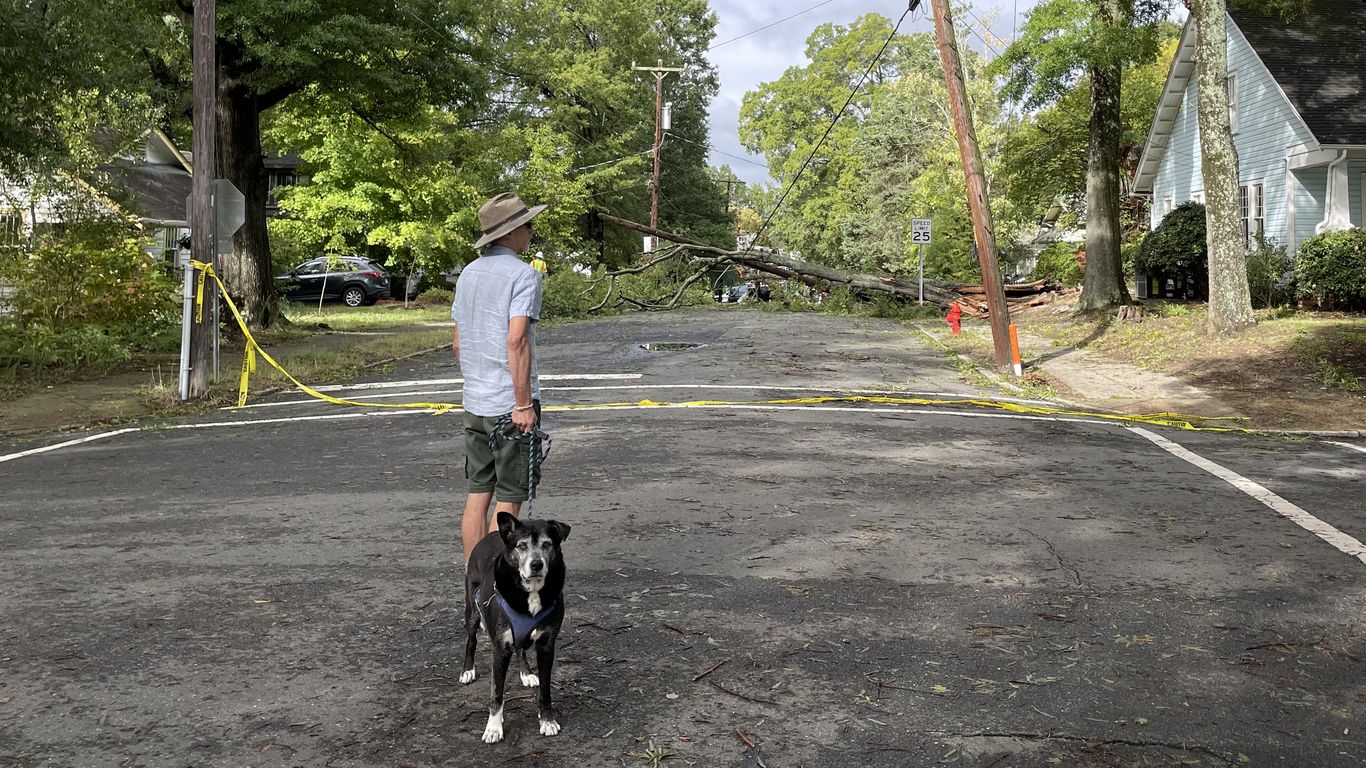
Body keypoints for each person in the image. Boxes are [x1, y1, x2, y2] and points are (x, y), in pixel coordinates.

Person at [452, 192, 547, 564]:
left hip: (475, 402)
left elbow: (459, 343)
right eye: (527, 225)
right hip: (510, 404)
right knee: (509, 497)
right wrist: (522, 404)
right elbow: (516, 338)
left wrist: (476, 385)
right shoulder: (524, 275)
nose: (531, 231)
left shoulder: (468, 274)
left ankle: (474, 579)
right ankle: (495, 582)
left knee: (478, 493)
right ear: (509, 233)